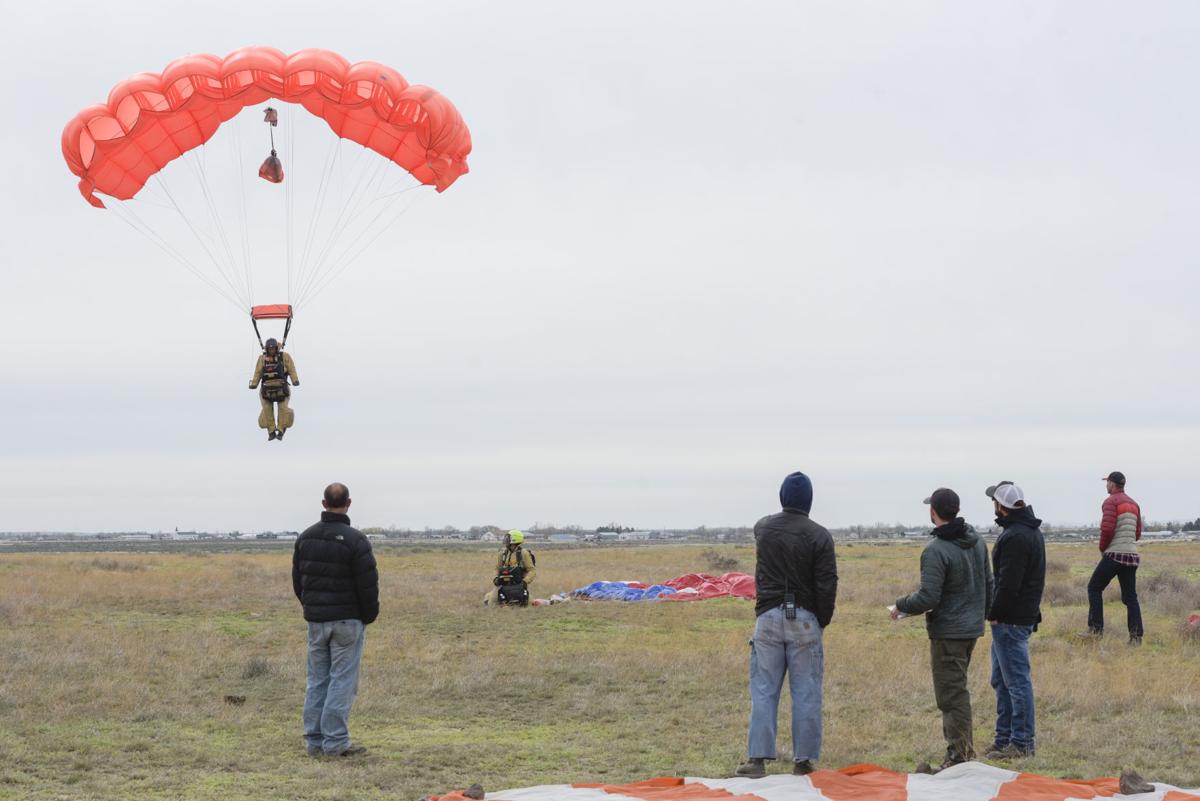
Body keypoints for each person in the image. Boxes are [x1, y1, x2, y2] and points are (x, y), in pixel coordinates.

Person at [736, 471, 838, 779]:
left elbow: (761, 528)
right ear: (809, 500)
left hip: (767, 617)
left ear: (782, 497)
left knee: (764, 689)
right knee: (806, 691)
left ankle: (757, 759)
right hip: (805, 619)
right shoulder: (820, 536)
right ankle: (803, 761)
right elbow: (827, 583)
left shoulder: (765, 529)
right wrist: (821, 620)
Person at [893, 487, 993, 772]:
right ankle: (960, 754)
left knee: (951, 695)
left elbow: (928, 598)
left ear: (933, 511)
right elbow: (989, 583)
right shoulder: (976, 541)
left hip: (949, 632)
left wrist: (900, 605)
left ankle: (959, 758)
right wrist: (981, 616)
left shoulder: (935, 550)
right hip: (970, 629)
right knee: (956, 690)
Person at [292, 483, 378, 757]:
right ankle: (335, 742)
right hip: (347, 622)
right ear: (349, 503)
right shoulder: (356, 540)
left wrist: (311, 607)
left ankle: (314, 742)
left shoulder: (305, 537)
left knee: (317, 680)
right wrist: (367, 616)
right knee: (342, 681)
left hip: (317, 622)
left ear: (323, 503)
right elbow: (368, 585)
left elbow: (298, 581)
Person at [983, 481, 1045, 761]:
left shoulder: (1016, 537)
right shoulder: (1029, 531)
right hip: (1016, 618)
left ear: (1000, 506)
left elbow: (1008, 584)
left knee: (1017, 683)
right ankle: (1004, 739)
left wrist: (994, 613)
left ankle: (1021, 743)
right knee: (1001, 680)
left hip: (1010, 621)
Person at [1085, 471, 1144, 644]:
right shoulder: (1134, 504)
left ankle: (1095, 630)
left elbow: (1107, 529)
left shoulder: (1110, 501)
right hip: (1131, 555)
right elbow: (1137, 532)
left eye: (1107, 482)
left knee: (1094, 588)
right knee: (1130, 597)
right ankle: (1136, 637)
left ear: (1112, 484)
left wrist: (1103, 548)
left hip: (1115, 554)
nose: (1106, 485)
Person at [249, 338, 299, 441]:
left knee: (283, 408)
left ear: (276, 348)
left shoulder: (285, 357)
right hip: (266, 390)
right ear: (267, 349)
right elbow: (257, 372)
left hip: (282, 388)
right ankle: (271, 430)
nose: (271, 351)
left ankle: (281, 429)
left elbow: (292, 369)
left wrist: (295, 380)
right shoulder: (262, 359)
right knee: (267, 408)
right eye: (269, 349)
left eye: (273, 349)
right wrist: (254, 384)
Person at [484, 530, 536, 606]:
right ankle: (488, 596)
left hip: (519, 584)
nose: (505, 540)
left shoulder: (524, 553)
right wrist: (495, 579)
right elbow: (497, 569)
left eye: (508, 538)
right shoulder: (502, 554)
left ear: (515, 540)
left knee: (529, 604)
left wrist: (525, 582)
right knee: (492, 604)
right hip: (503, 584)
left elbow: (532, 570)